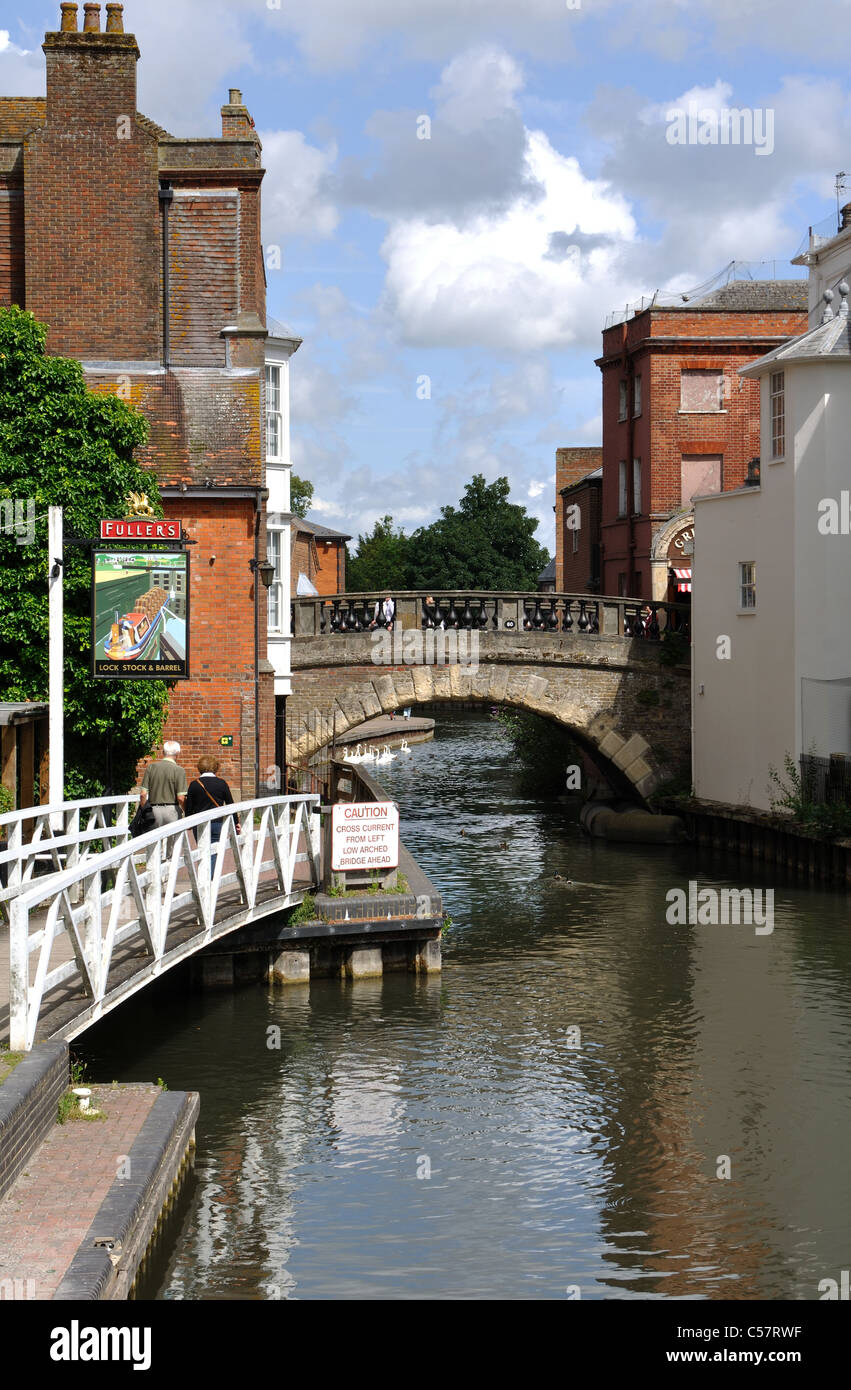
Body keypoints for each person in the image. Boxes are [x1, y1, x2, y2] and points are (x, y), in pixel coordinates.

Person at [184, 755, 239, 865]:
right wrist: (236, 822)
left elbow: (189, 807)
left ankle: (205, 878)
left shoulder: (194, 785)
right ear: (216, 767)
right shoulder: (221, 783)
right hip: (217, 823)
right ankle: (210, 878)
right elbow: (230, 804)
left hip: (198, 823)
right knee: (214, 851)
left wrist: (188, 821)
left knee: (202, 850)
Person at [139, 741, 187, 827]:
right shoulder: (179, 770)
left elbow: (143, 794)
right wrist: (187, 811)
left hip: (153, 810)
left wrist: (144, 811)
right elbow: (181, 798)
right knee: (174, 840)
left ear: (163, 752)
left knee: (153, 839)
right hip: (172, 811)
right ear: (177, 753)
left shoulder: (151, 768)